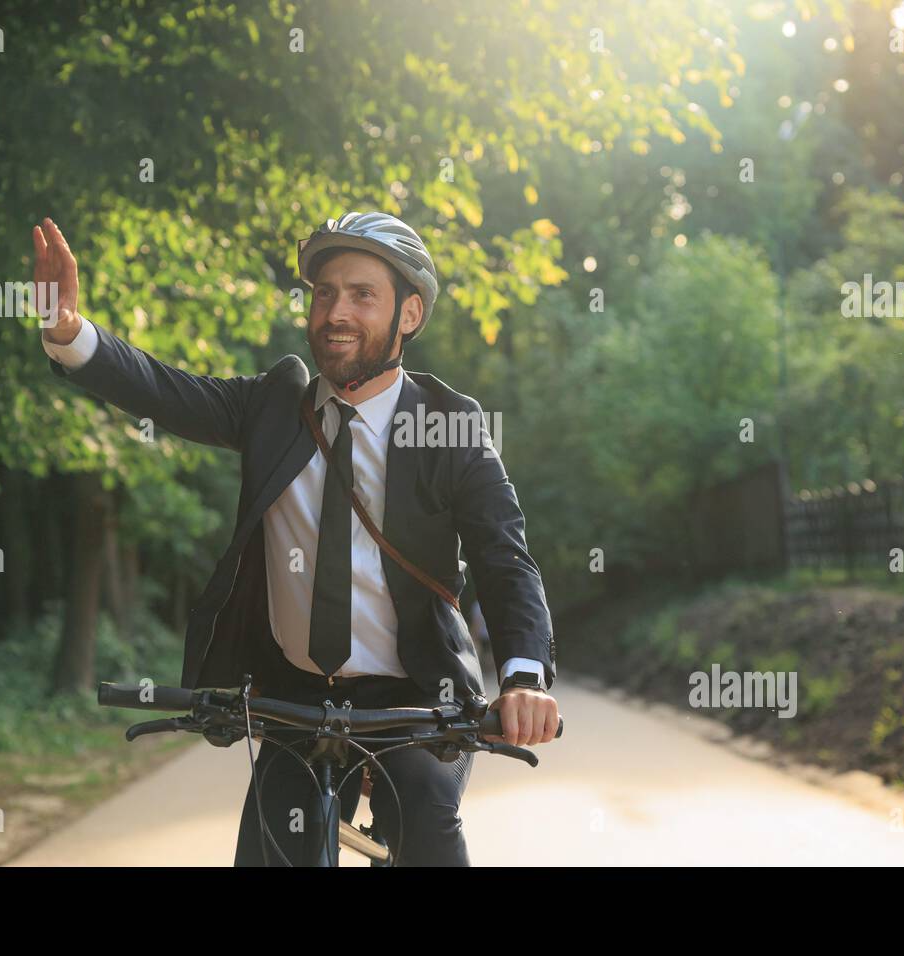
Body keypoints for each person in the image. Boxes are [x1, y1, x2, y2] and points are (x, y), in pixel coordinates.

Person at [33, 212, 558, 866]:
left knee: (424, 810)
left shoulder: (451, 423)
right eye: (324, 293)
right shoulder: (276, 406)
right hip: (294, 698)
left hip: (419, 699)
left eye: (362, 294)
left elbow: (504, 559)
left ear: (410, 314)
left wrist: (524, 676)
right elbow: (163, 390)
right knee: (268, 845)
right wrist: (66, 330)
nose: (335, 311)